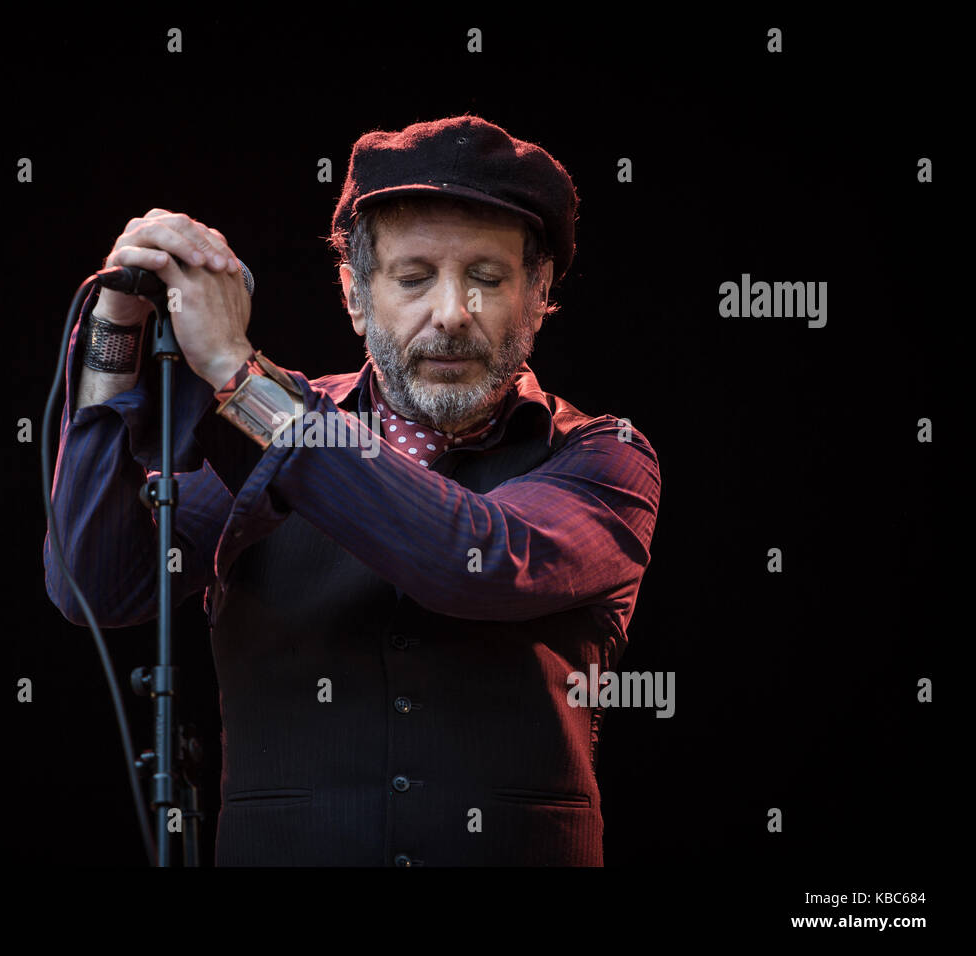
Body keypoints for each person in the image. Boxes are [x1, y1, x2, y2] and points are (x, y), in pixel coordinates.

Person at [44, 115, 662, 866]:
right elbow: (97, 587)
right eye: (412, 277)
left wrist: (240, 377)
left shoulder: (606, 456)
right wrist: (113, 339)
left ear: (538, 295)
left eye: (487, 279)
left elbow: (476, 556)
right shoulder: (248, 427)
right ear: (355, 295)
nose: (451, 313)